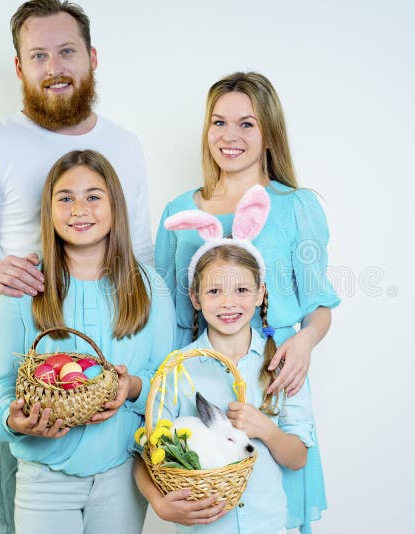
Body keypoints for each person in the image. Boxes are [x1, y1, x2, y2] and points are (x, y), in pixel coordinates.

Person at [0, 2, 152, 531]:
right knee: (22, 511)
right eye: (39, 55)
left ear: (92, 58)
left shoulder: (125, 144)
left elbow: (141, 257)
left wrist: (138, 374)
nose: (55, 67)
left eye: (67, 51)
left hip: (113, 369)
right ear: (20, 67)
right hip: (29, 370)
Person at [155, 72, 340, 532]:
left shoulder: (296, 206)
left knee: (270, 505)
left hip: (273, 376)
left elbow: (318, 303)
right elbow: (169, 314)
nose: (229, 136)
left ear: (269, 132)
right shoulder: (179, 211)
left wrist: (304, 344)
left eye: (247, 124)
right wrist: (161, 388)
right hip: (200, 379)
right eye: (219, 123)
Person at [0, 150, 174, 534]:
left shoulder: (149, 288)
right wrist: (13, 419)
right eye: (65, 198)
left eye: (93, 196)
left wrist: (133, 386)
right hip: (44, 476)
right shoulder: (25, 287)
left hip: (121, 472)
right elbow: (4, 382)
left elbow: (167, 381)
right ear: (49, 209)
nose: (79, 209)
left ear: (114, 206)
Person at [136, 185, 313, 533]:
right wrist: (159, 504)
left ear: (261, 293)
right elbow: (147, 448)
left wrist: (265, 429)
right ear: (196, 298)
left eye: (242, 290)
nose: (229, 303)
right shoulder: (179, 368)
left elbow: (298, 457)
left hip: (267, 524)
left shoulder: (282, 362)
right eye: (215, 291)